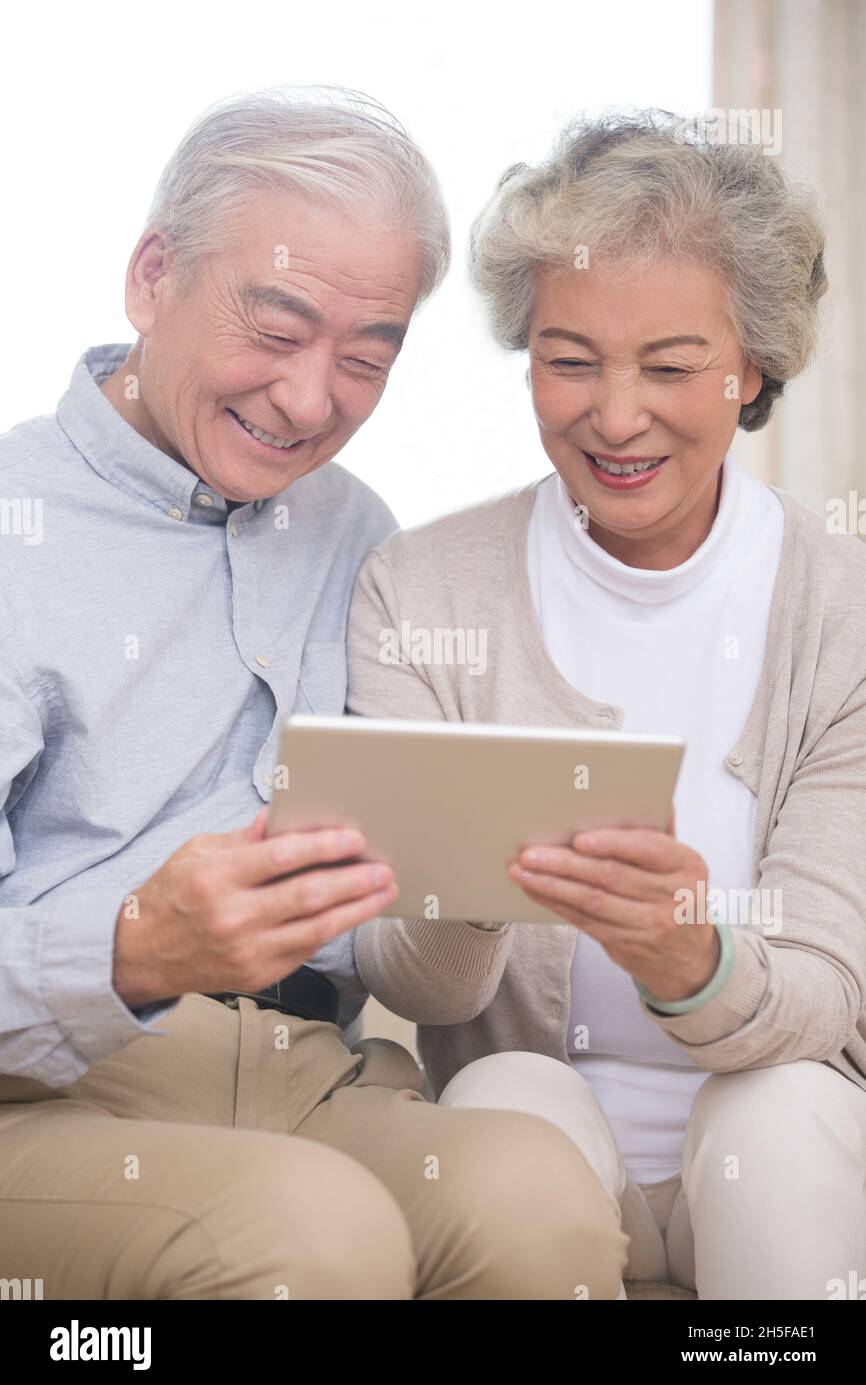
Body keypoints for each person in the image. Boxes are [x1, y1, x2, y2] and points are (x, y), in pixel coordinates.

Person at [0, 86, 628, 1301]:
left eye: (364, 357)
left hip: (310, 1070)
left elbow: (408, 968)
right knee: (312, 1233)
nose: (307, 399)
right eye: (275, 330)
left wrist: (489, 865)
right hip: (51, 1094)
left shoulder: (357, 537)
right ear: (151, 275)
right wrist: (135, 948)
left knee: (538, 1200)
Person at [346, 111, 866, 1299]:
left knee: (775, 1115)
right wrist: (470, 888)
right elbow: (405, 981)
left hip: (777, 1139)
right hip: (550, 1153)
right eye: (569, 359)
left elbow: (827, 991)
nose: (613, 416)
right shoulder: (417, 588)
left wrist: (690, 957)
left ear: (752, 369)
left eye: (671, 366)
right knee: (499, 1093)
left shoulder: (836, 612)